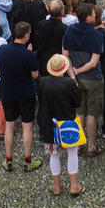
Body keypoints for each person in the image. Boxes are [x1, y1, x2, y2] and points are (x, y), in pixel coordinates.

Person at [0, 21, 42, 172]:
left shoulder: (2, 49)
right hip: (25, 93)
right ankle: (27, 160)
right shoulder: (28, 54)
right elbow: (35, 75)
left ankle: (8, 159)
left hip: (7, 92)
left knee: (10, 125)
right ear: (26, 35)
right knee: (26, 127)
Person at [38, 54, 85, 197]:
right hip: (67, 122)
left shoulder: (43, 82)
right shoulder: (69, 83)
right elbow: (77, 102)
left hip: (49, 123)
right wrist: (73, 81)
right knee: (72, 152)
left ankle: (56, 187)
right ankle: (74, 185)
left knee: (54, 154)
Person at [62, 3, 105, 158]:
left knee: (79, 112)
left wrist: (73, 74)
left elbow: (65, 55)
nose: (95, 16)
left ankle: (78, 146)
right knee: (92, 114)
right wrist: (79, 71)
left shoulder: (69, 30)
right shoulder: (96, 35)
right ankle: (91, 147)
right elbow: (93, 63)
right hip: (93, 79)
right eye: (93, 14)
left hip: (75, 79)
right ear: (88, 17)